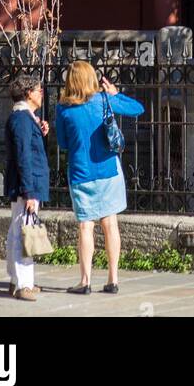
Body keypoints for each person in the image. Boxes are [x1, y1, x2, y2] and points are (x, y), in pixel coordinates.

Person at [55, 59, 144, 294]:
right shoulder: (104, 100)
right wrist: (116, 93)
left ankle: (85, 282)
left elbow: (63, 143)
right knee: (110, 223)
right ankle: (113, 279)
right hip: (108, 170)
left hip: (80, 172)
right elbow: (137, 108)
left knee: (86, 226)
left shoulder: (62, 108)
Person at [4, 70, 50, 303]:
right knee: (25, 233)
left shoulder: (24, 117)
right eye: (39, 90)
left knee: (17, 231)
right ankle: (24, 284)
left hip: (24, 184)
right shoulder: (22, 119)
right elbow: (23, 156)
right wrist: (29, 192)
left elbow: (27, 148)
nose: (42, 94)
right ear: (28, 93)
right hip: (26, 186)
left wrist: (40, 133)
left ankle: (16, 280)